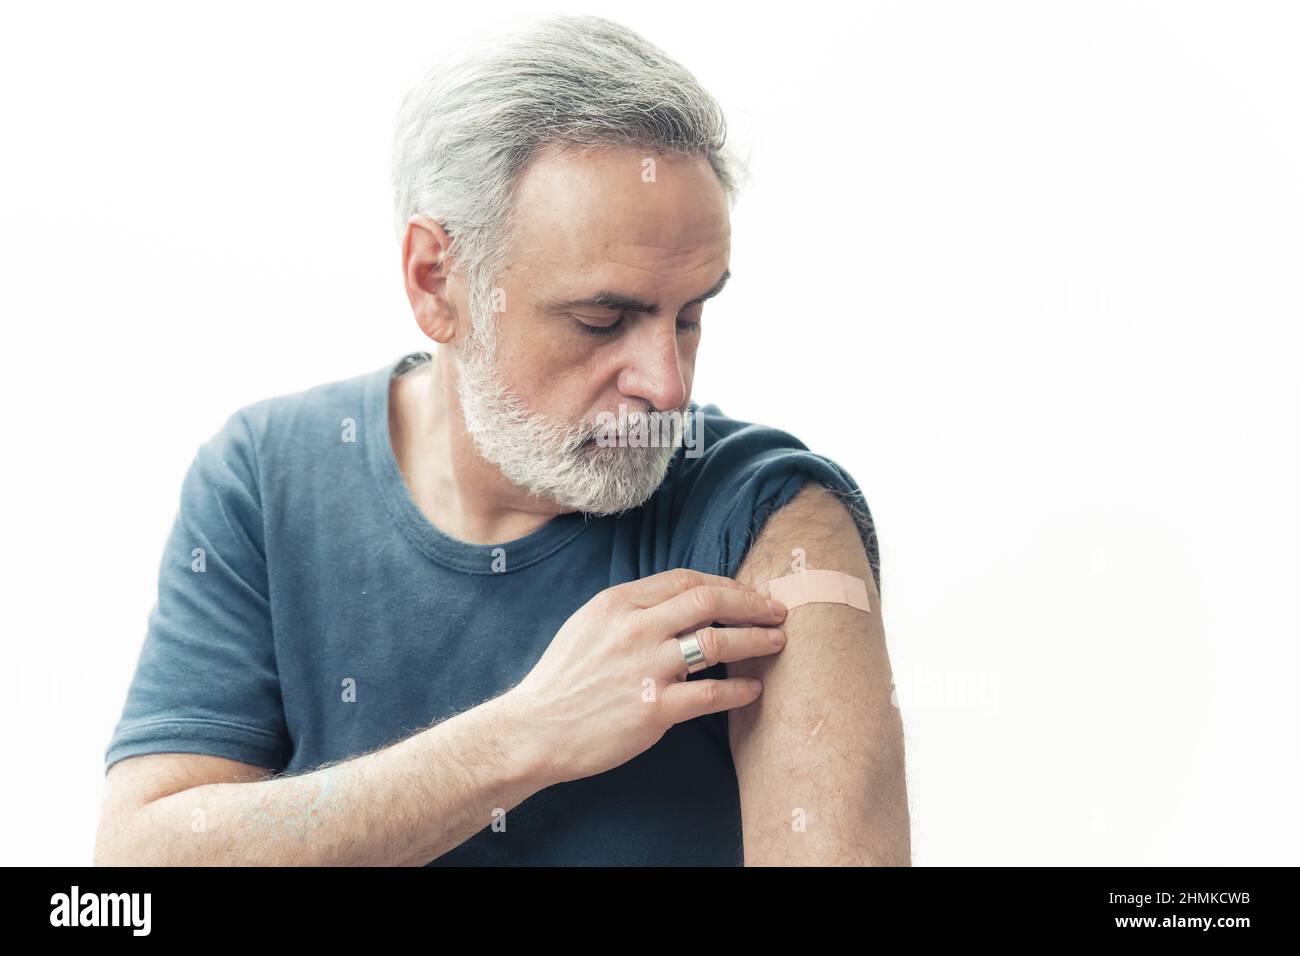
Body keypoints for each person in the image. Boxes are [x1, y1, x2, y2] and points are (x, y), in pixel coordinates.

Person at [94, 13, 909, 866]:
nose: (668, 386)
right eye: (603, 319)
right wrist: (521, 738)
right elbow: (140, 865)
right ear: (436, 281)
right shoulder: (266, 481)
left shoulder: (772, 519)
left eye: (692, 315)